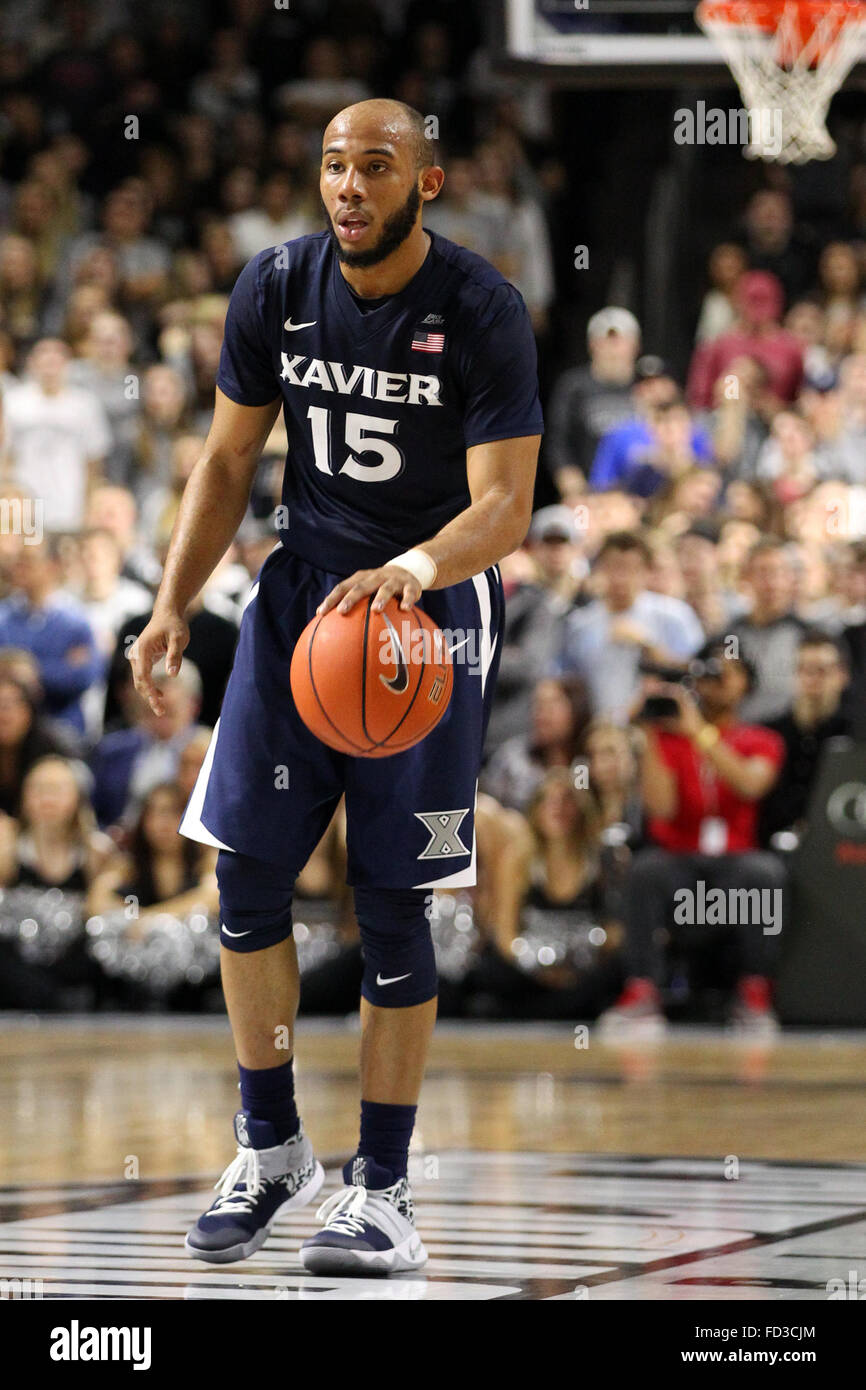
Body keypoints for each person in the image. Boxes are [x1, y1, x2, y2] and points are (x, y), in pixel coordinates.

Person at [128, 100, 542, 1276]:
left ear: (429, 182)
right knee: (246, 875)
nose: (348, 185)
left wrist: (408, 572)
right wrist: (169, 605)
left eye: (375, 166)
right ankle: (269, 1149)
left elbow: (504, 507)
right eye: (331, 165)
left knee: (393, 898)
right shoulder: (272, 285)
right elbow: (223, 460)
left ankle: (385, 1188)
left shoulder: (481, 308)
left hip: (430, 600)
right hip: (303, 595)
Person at [599, 641, 786, 1037]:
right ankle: (643, 989)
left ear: (746, 687)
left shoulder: (761, 739)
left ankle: (754, 991)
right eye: (709, 673)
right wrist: (650, 732)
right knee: (644, 870)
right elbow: (661, 808)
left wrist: (698, 732)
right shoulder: (668, 738)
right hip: (679, 861)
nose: (714, 682)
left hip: (735, 863)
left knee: (766, 873)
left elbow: (751, 785)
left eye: (726, 675)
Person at [555, 531, 704, 721]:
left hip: (659, 730)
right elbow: (566, 679)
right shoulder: (581, 623)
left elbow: (697, 671)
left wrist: (650, 646)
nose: (621, 578)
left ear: (646, 571)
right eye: (613, 567)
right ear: (599, 569)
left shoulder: (674, 615)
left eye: (630, 568)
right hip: (600, 730)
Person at [759, 631, 851, 845]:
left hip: (838, 844)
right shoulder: (769, 732)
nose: (813, 679)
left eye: (822, 671)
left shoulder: (857, 734)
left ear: (842, 675)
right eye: (805, 670)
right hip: (774, 842)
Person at [545, 307, 640, 502]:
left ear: (635, 345)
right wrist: (569, 481)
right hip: (588, 493)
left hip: (639, 493)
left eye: (620, 341)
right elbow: (557, 440)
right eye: (605, 341)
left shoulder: (648, 384)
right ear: (592, 345)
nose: (613, 349)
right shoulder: (574, 386)